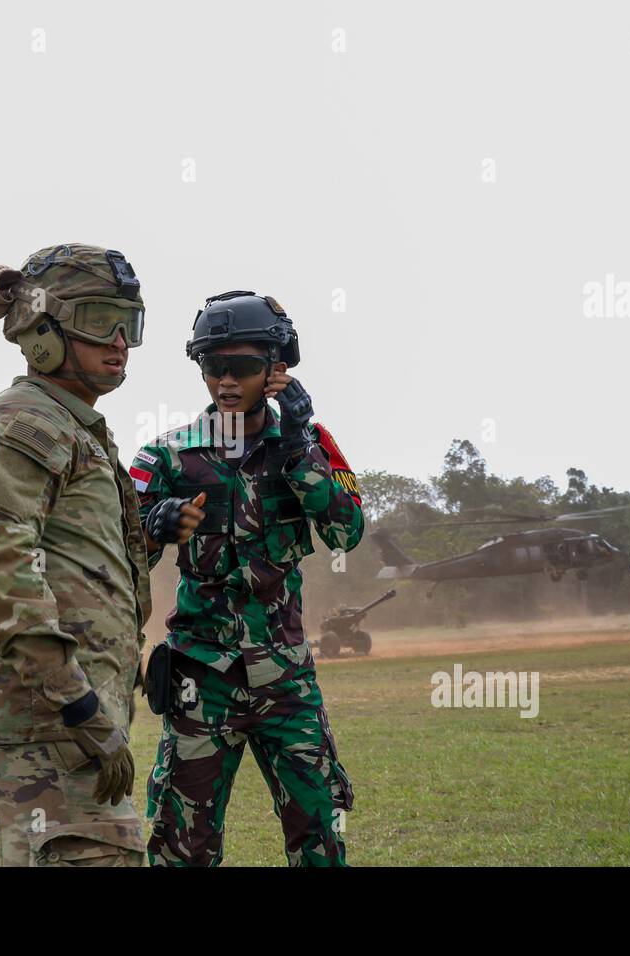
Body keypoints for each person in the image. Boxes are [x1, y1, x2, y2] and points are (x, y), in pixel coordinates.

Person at [137, 291, 365, 866]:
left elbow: (345, 533)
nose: (225, 382)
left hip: (285, 677)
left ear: (276, 367)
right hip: (200, 678)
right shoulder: (165, 458)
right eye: (213, 367)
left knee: (319, 833)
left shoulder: (308, 448)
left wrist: (297, 448)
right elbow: (119, 558)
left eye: (240, 367)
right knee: (180, 844)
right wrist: (152, 528)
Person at [0, 243, 153, 866]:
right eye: (96, 320)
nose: (118, 341)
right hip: (44, 724)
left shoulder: (71, 427)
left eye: (130, 323)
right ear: (41, 328)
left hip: (52, 722)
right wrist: (81, 705)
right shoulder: (23, 426)